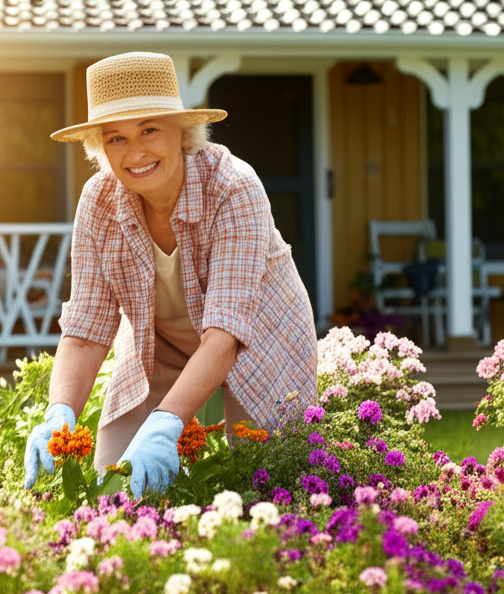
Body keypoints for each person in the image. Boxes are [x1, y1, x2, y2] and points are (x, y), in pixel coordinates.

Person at [23, 51, 318, 498]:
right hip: (156, 344)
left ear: (181, 131)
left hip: (259, 339)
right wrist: (59, 411)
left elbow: (224, 335)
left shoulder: (233, 187)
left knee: (270, 489)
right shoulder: (99, 202)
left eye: (149, 129)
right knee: (113, 493)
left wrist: (166, 423)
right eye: (116, 138)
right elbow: (85, 330)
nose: (135, 152)